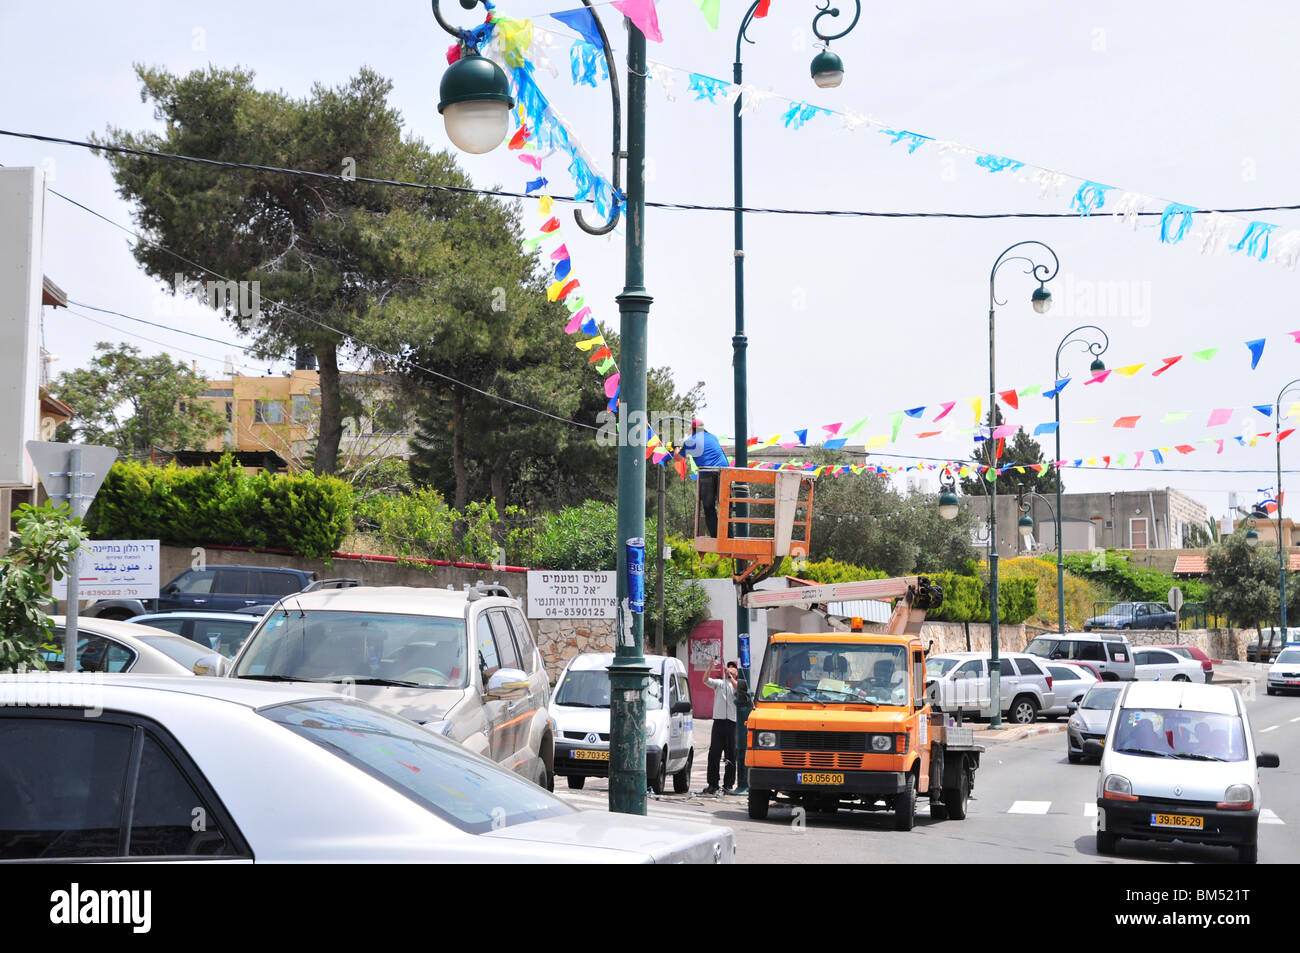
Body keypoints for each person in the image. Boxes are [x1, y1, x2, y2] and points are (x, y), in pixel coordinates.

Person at [676, 418, 729, 537]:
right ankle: (729, 535)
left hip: (707, 473)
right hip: (725, 473)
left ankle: (716, 536)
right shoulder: (713, 437)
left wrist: (675, 448)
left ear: (693, 430)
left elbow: (678, 458)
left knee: (709, 506)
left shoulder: (691, 441)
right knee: (725, 504)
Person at [701, 659, 739, 795]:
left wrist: (730, 676)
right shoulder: (720, 684)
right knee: (714, 754)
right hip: (718, 722)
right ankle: (712, 784)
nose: (729, 669)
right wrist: (710, 667)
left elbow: (737, 688)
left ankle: (728, 784)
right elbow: (705, 680)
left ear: (736, 672)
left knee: (731, 755)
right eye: (728, 667)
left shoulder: (738, 684)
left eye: (733, 668)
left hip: (731, 723)